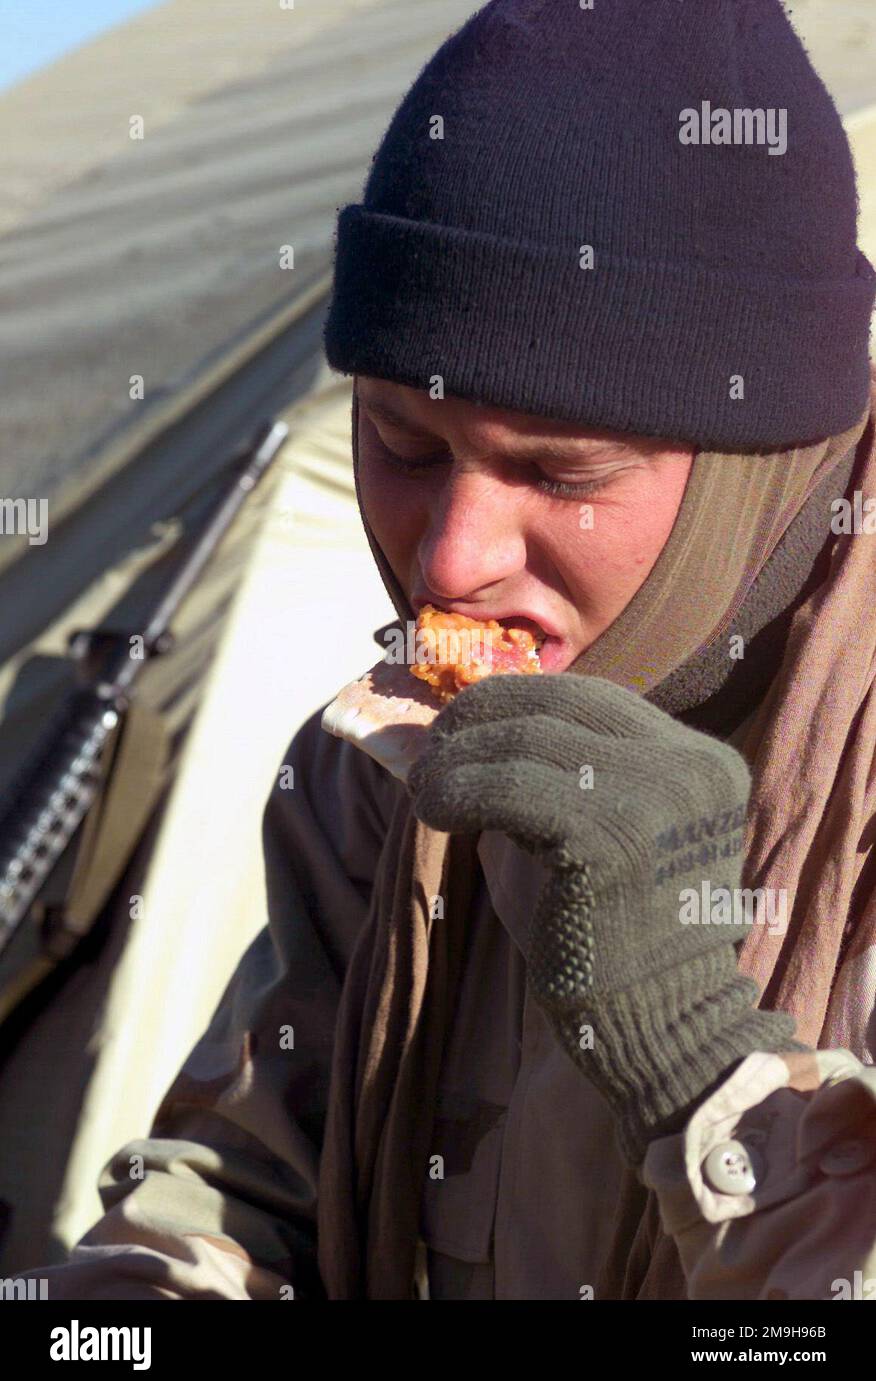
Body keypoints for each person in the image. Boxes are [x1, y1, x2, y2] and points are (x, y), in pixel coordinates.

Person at [17, 0, 876, 1299]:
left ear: (758, 473)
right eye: (403, 446)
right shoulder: (391, 763)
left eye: (559, 469)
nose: (448, 559)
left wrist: (699, 1057)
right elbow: (230, 1210)